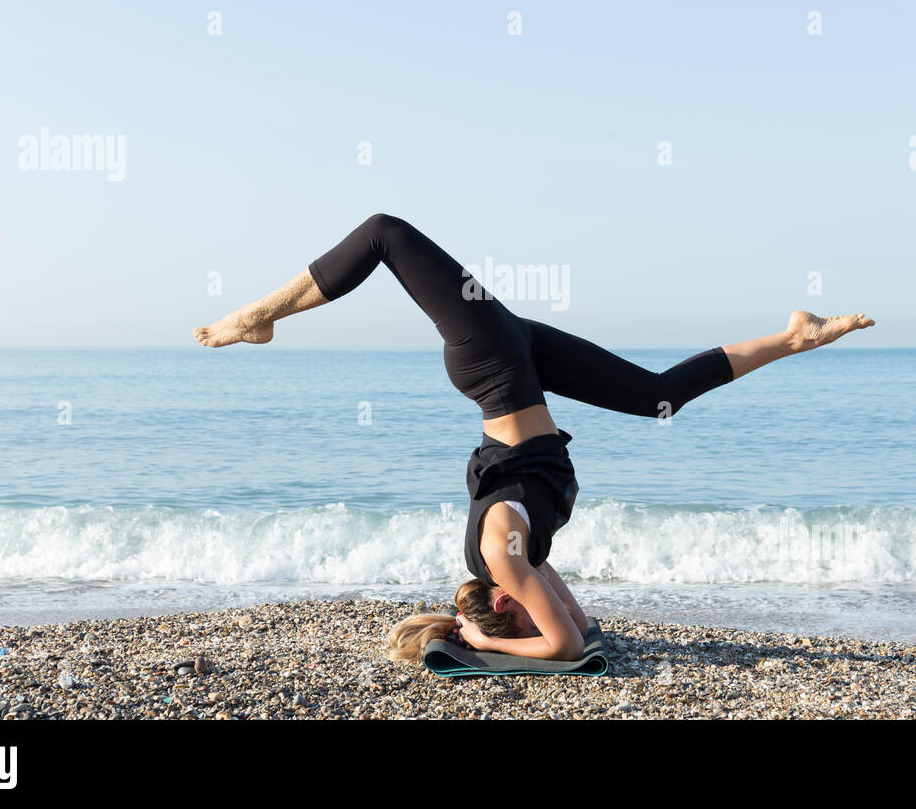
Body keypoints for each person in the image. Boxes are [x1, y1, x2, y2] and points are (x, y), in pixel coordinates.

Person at [195, 213, 875, 663]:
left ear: (502, 605)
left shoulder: (505, 556)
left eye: (520, 617)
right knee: (655, 398)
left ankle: (256, 316)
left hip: (495, 366)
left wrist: (469, 638)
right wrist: (480, 634)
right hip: (514, 361)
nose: (541, 608)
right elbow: (571, 633)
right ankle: (796, 336)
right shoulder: (523, 560)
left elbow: (557, 646)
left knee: (384, 233)